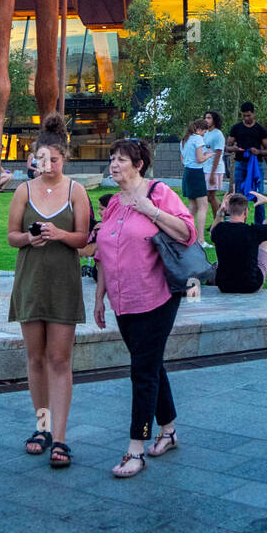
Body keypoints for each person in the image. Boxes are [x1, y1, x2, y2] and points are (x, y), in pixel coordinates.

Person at [94, 137, 197, 479]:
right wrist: (99, 298)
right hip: (122, 300)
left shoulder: (158, 192)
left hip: (157, 296)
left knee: (142, 369)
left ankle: (135, 449)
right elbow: (103, 253)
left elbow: (188, 232)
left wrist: (151, 211)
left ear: (139, 165)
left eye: (121, 159)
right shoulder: (113, 204)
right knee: (151, 364)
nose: (114, 164)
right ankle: (168, 430)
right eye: (112, 158)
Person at [7, 113, 90, 470]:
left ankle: (60, 437)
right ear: (34, 159)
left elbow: (84, 239)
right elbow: (11, 236)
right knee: (35, 358)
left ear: (64, 159)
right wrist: (29, 237)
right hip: (30, 281)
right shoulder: (23, 190)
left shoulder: (77, 191)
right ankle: (40, 429)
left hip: (63, 284)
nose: (48, 165)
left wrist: (59, 235)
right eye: (42, 160)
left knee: (59, 359)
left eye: (54, 160)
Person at [210, 190, 267, 291]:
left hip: (225, 285)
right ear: (246, 211)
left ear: (228, 210)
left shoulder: (219, 229)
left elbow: (212, 233)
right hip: (251, 285)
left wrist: (220, 212)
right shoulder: (254, 231)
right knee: (266, 239)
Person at [227, 102, 267, 224]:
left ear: (253, 113)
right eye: (244, 116)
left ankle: (259, 225)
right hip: (240, 164)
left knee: (258, 195)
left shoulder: (260, 129)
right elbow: (227, 147)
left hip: (256, 165)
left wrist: (258, 152)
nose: (246, 118)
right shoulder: (236, 128)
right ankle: (239, 224)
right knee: (239, 196)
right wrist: (234, 149)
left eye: (249, 115)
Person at [180, 118, 211, 248]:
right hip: (196, 173)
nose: (204, 134)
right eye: (204, 131)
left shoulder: (184, 140)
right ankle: (200, 240)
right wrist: (208, 155)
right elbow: (200, 159)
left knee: (192, 207)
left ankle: (184, 235)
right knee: (204, 206)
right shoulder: (197, 139)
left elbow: (183, 161)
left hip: (187, 173)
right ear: (200, 129)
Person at [203, 110, 226, 220]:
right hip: (205, 168)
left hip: (215, 169)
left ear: (214, 120)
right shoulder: (205, 133)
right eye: (205, 118)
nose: (206, 120)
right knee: (209, 196)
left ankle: (217, 221)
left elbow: (218, 154)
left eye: (209, 118)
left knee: (210, 196)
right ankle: (223, 212)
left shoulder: (218, 134)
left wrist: (212, 173)